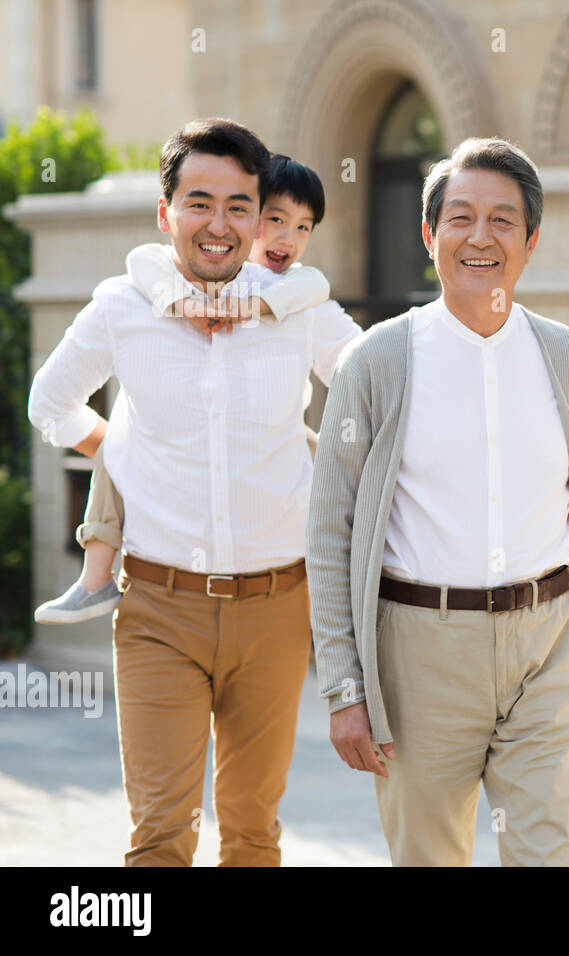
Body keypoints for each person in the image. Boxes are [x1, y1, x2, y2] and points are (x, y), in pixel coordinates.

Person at [307, 136, 569, 867]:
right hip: (417, 651)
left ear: (531, 240)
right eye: (460, 218)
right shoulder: (375, 363)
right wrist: (343, 688)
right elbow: (330, 532)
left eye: (502, 221)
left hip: (547, 643)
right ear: (430, 235)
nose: (480, 237)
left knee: (548, 856)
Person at [27, 119, 362, 865]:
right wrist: (122, 452)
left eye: (239, 205)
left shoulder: (296, 309)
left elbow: (376, 380)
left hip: (278, 608)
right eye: (199, 202)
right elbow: (49, 405)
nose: (220, 224)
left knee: (252, 833)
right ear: (165, 212)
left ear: (257, 213)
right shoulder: (123, 305)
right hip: (156, 611)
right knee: (159, 836)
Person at [34, 153, 334, 625]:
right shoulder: (151, 282)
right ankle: (95, 579)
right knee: (121, 446)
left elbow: (316, 288)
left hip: (270, 582)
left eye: (303, 227)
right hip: (159, 589)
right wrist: (179, 305)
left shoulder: (301, 294)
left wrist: (258, 305)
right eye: (275, 220)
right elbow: (143, 260)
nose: (287, 238)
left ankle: (327, 582)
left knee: (315, 454)